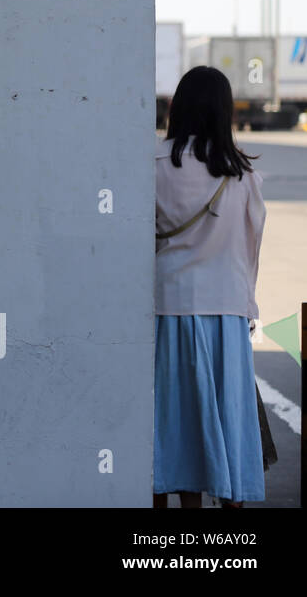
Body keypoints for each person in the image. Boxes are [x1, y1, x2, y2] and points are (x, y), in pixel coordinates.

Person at [152, 66, 265, 508]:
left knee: (173, 421)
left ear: (177, 107)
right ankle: (230, 502)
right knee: (228, 419)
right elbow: (250, 249)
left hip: (169, 310)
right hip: (228, 311)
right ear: (224, 111)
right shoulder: (243, 175)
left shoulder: (154, 166)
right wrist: (246, 305)